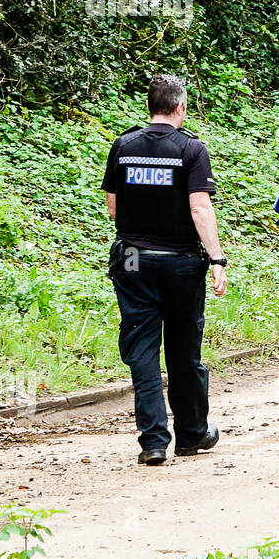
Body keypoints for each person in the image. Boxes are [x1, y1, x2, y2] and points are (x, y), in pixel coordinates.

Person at [102, 75, 227, 466]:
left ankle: (153, 442)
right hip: (181, 263)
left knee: (142, 349)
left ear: (150, 106)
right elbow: (200, 208)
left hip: (133, 258)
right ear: (180, 108)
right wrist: (217, 258)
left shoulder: (123, 146)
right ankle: (191, 435)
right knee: (183, 348)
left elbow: (113, 208)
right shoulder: (191, 149)